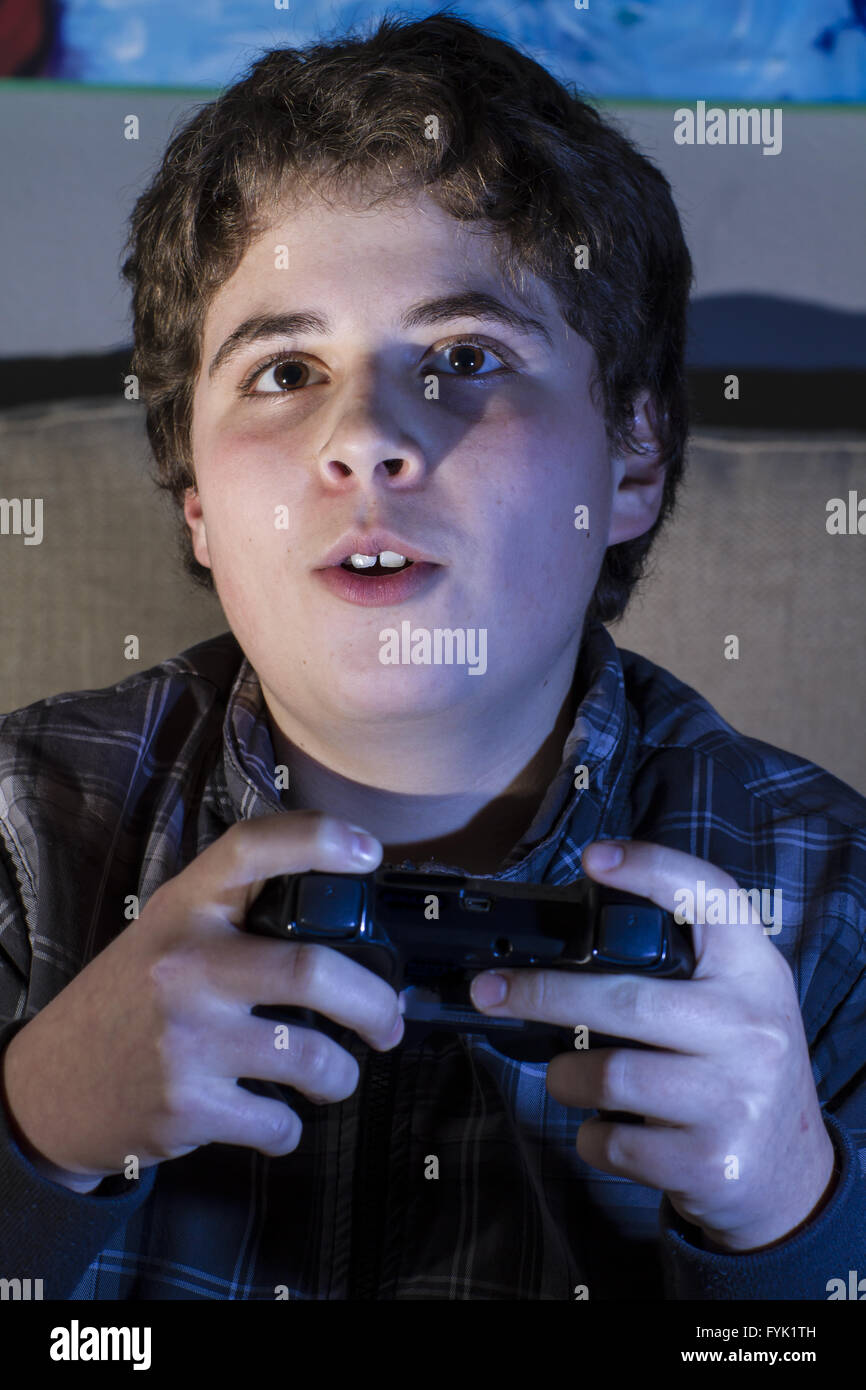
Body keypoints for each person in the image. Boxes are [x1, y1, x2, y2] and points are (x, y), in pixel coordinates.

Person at [0, 11, 863, 1301]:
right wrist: (35, 1135)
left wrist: (796, 1218)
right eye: (285, 370)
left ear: (631, 458)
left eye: (464, 356)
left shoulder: (835, 906)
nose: (365, 438)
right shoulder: (22, 835)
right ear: (194, 499)